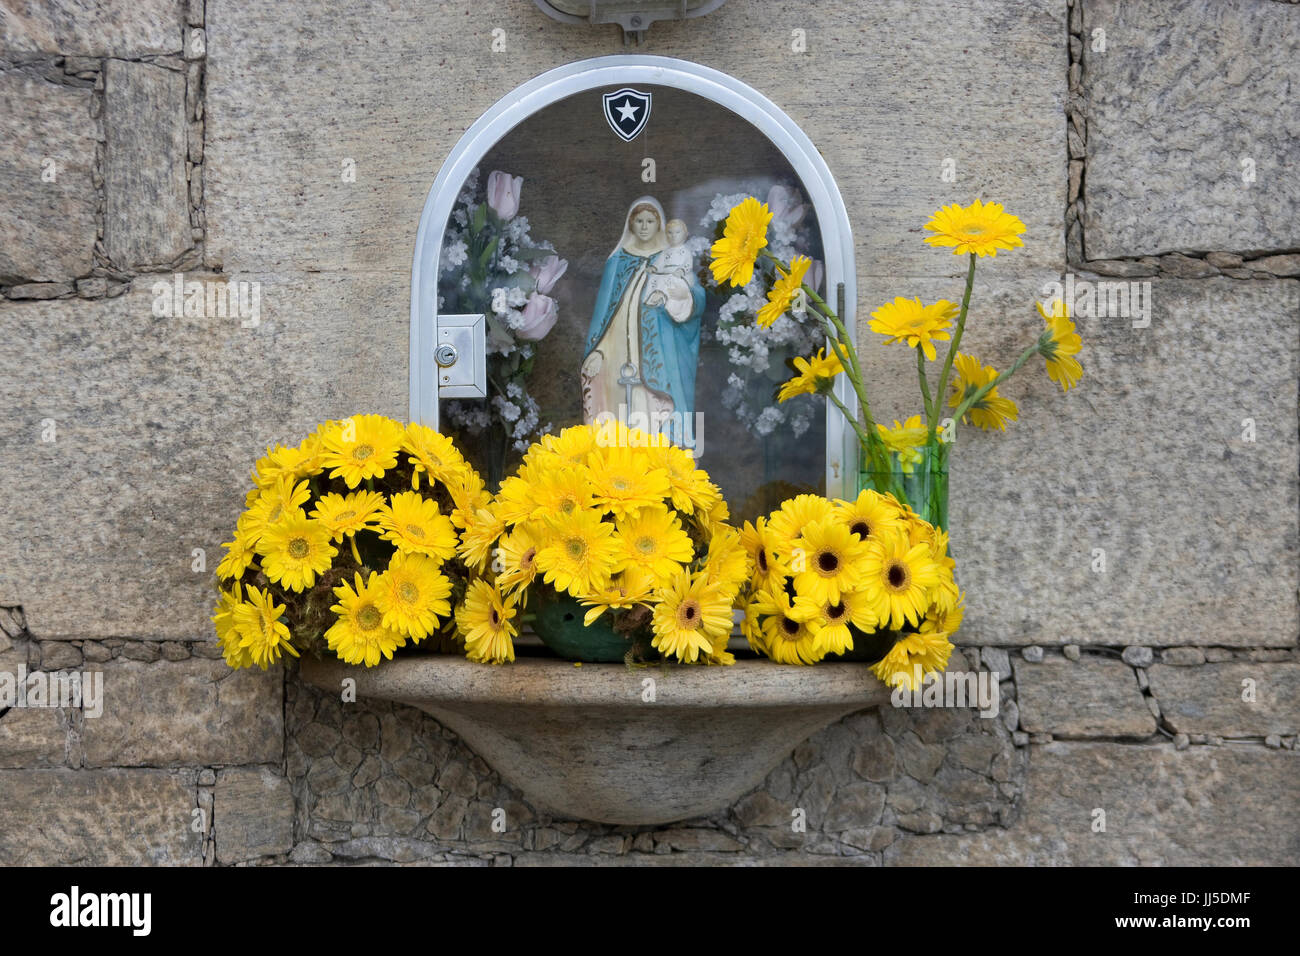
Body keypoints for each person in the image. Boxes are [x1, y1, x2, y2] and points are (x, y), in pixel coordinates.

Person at [582, 198, 705, 446]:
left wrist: (684, 298)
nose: (645, 227)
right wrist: (597, 351)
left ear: (660, 225)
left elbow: (696, 294)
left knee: (651, 409)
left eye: (650, 221)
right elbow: (604, 313)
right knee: (618, 412)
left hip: (657, 353)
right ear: (630, 224)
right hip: (616, 350)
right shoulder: (617, 262)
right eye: (639, 221)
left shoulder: (672, 258)